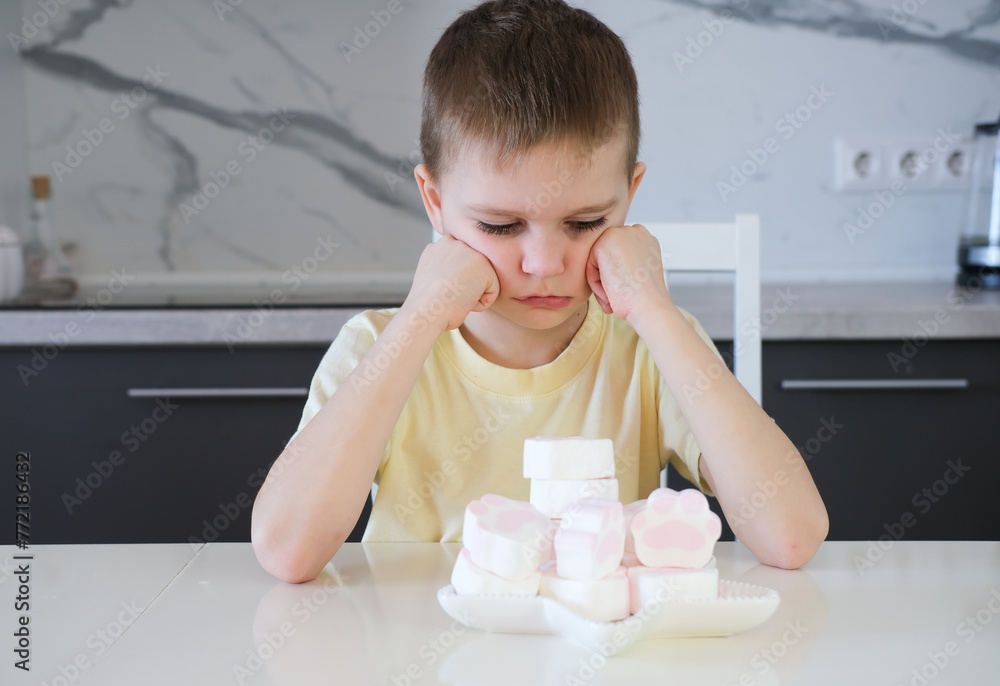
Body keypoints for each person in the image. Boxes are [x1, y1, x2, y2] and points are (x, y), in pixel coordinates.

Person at [251, 0, 828, 583]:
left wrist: (655, 309)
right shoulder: (375, 346)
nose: (545, 263)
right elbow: (287, 552)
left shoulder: (650, 348)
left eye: (583, 224)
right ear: (435, 201)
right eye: (500, 227)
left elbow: (791, 534)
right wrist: (420, 317)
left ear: (629, 196)